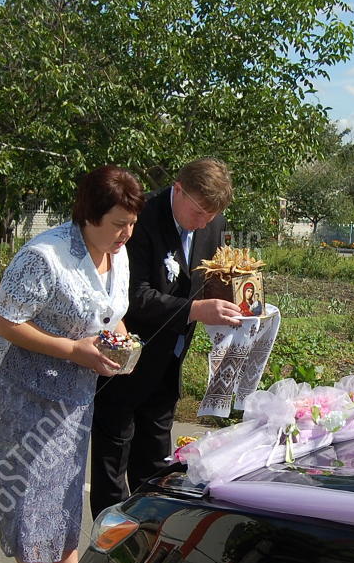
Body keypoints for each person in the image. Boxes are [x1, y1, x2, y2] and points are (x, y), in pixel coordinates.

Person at [0, 166, 144, 563]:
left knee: (64, 481)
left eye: (132, 222)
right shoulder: (45, 256)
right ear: (88, 216)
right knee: (26, 484)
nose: (127, 233)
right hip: (18, 385)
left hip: (72, 388)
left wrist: (120, 344)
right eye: (118, 222)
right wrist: (74, 350)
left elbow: (110, 313)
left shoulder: (116, 254)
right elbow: (3, 319)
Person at [90, 158, 242, 517]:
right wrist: (195, 311)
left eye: (212, 214)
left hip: (169, 362)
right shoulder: (139, 220)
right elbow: (133, 296)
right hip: (124, 363)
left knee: (156, 468)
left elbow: (211, 277)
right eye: (200, 211)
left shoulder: (213, 222)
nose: (204, 222)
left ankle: (145, 550)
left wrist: (238, 302)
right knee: (113, 469)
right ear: (177, 189)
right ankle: (106, 555)